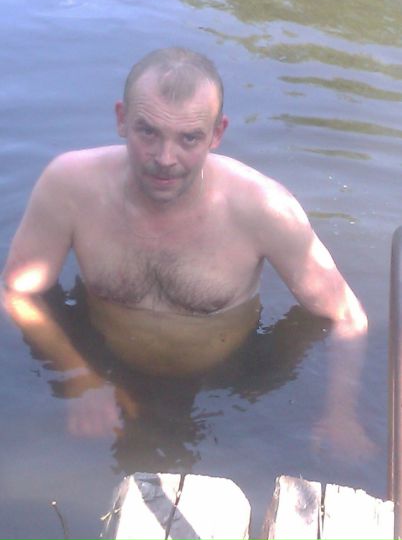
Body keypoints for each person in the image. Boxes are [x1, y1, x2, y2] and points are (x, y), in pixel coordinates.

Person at [1, 47, 370, 452]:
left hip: (230, 384)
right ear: (122, 119)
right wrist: (77, 376)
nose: (165, 159)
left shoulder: (263, 208)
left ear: (217, 133)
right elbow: (16, 292)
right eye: (148, 132)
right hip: (104, 362)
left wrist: (340, 415)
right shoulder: (70, 187)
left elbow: (347, 316)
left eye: (189, 138)